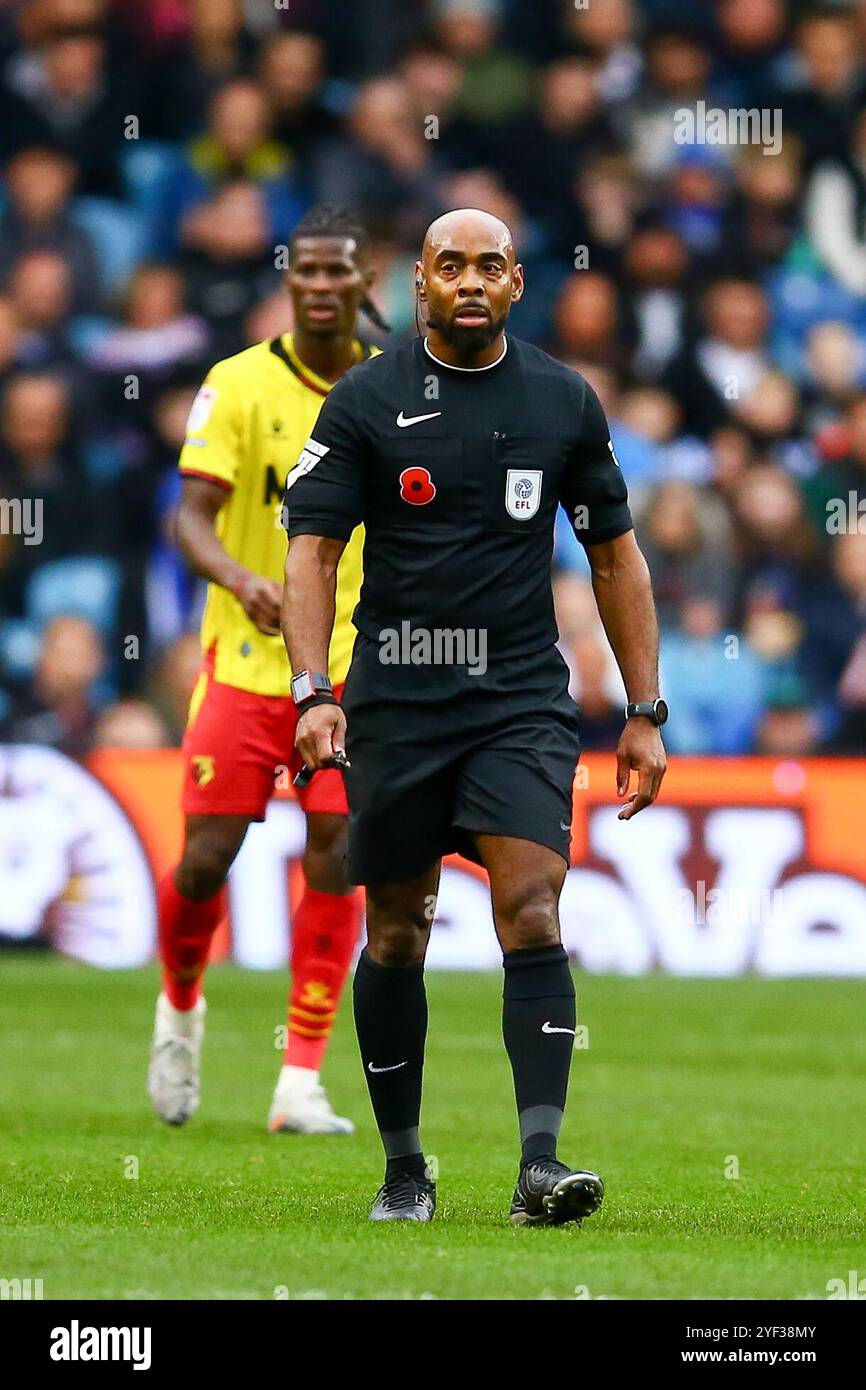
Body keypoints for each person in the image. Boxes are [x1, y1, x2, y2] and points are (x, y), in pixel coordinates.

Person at [282, 208, 667, 1224]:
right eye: (447, 264)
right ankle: (404, 1168)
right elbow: (312, 553)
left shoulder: (561, 400)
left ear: (513, 285)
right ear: (417, 283)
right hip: (396, 703)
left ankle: (539, 1165)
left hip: (517, 702)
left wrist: (643, 708)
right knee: (398, 929)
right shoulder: (364, 400)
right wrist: (312, 690)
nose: (466, 280)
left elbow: (614, 554)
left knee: (531, 908)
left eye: (486, 265)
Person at [147, 206, 386, 1135]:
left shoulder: (392, 388)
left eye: (340, 273)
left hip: (350, 672)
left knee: (335, 855)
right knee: (207, 860)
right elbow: (190, 516)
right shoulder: (238, 384)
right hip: (248, 664)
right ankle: (179, 1008)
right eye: (307, 272)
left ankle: (299, 1078)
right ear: (290, 282)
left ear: (367, 283)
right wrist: (244, 579)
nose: (322, 287)